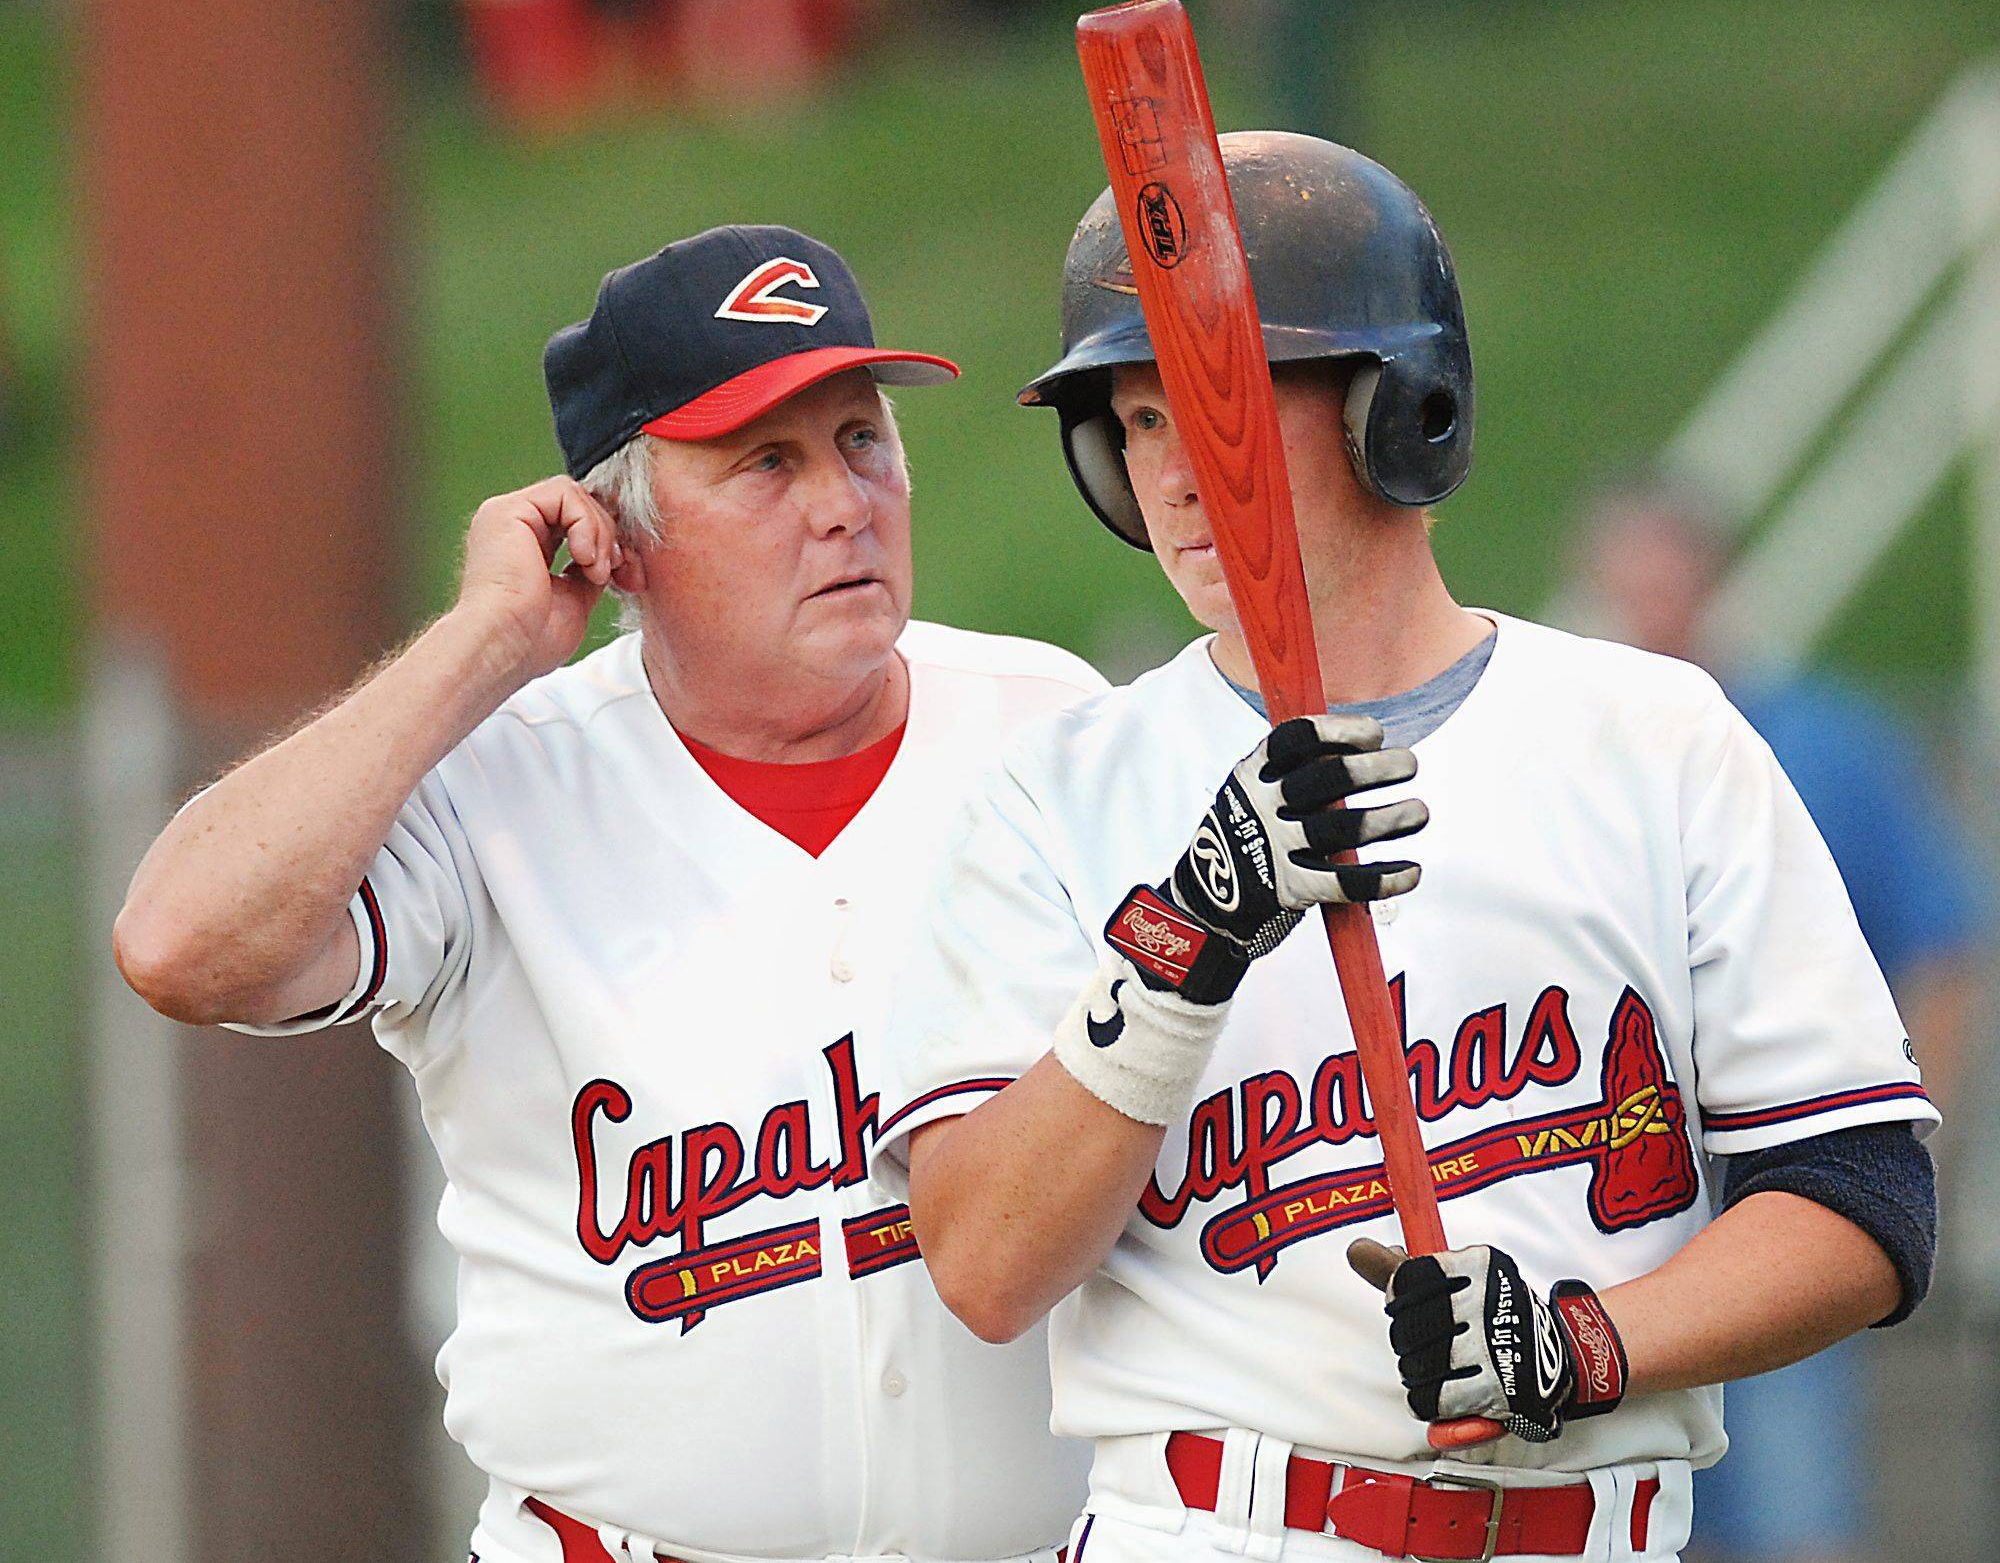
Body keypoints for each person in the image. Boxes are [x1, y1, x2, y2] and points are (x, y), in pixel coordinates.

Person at [867, 133, 1941, 1563]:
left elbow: (1865, 1198)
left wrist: (1582, 1343)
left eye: (1217, 404)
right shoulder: (1063, 790)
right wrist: (1187, 943)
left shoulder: (1652, 735)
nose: (1175, 473)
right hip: (1220, 1528)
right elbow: (988, 1266)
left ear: (1401, 404)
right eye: (1134, 422)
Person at [114, 225, 1099, 1563]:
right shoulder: (501, 784)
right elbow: (180, 942)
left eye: (862, 440)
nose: (842, 502)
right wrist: (480, 645)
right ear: (617, 534)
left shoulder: (1050, 728)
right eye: (766, 462)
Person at [1571, 477, 1986, 1563]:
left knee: (1796, 1498)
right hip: (1615, 1190)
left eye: (1666, 573)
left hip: (1776, 1179)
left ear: (1712, 579)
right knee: (1619, 1498)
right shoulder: (1570, 756)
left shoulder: (1825, 744)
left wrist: (1901, 1150)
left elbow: (1937, 946)